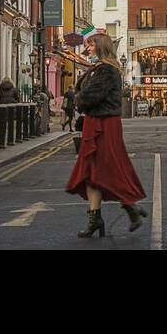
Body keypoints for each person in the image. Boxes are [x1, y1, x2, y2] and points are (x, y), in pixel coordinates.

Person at [66, 33, 147, 238]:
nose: (88, 50)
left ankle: (130, 206)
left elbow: (90, 97)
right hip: (95, 122)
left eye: (91, 45)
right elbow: (85, 93)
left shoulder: (107, 70)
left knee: (108, 168)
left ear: (100, 46)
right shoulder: (99, 69)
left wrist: (78, 99)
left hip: (104, 124)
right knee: (90, 171)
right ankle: (96, 218)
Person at [0, 77, 18, 151]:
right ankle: (10, 141)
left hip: (2, 108)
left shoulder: (0, 88)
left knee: (2, 125)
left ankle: (1, 143)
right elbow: (17, 97)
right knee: (11, 124)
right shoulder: (13, 88)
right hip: (11, 107)